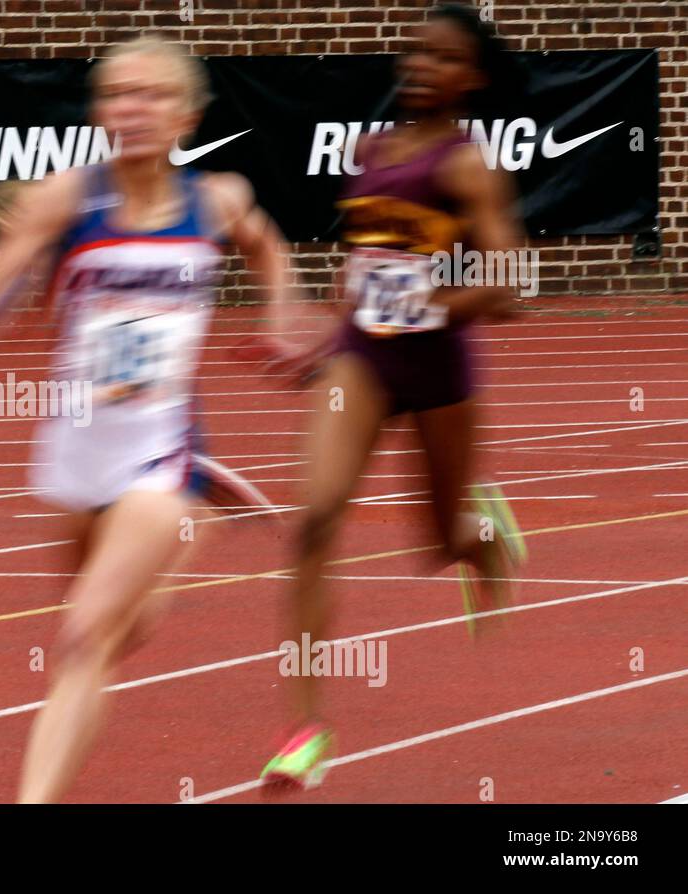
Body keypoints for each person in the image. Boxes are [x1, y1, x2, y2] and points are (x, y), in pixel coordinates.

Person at [0, 36, 301, 804]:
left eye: (152, 95)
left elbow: (268, 249)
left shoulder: (218, 199)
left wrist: (282, 314)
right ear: (99, 112)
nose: (133, 109)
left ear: (187, 115)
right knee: (121, 633)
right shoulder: (67, 198)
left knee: (83, 639)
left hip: (161, 449)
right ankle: (194, 528)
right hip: (75, 450)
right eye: (117, 95)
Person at [259, 2, 527, 790]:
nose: (418, 65)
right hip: (363, 362)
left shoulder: (468, 166)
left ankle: (483, 534)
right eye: (414, 51)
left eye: (441, 57)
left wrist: (429, 305)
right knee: (314, 520)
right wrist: (326, 335)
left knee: (438, 546)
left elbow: (511, 284)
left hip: (439, 369)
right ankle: (304, 729)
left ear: (471, 77)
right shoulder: (368, 151)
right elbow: (365, 268)